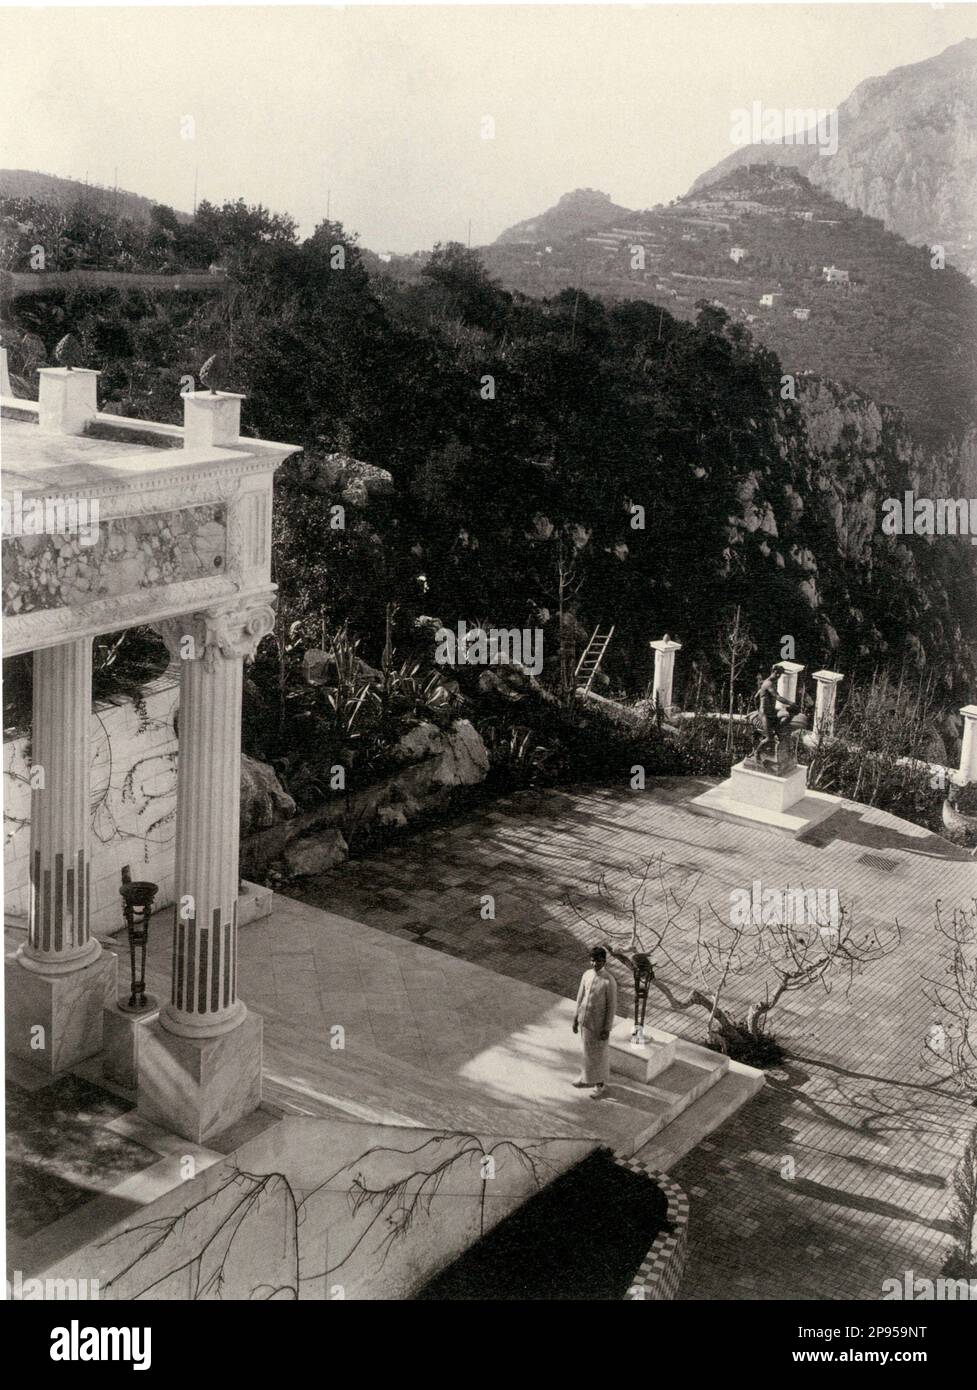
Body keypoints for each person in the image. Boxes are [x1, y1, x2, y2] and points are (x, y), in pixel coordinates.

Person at [572, 946, 618, 1099]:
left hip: (598, 1025)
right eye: (592, 960)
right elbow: (580, 997)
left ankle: (600, 1085)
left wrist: (607, 1028)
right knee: (586, 1052)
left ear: (604, 961)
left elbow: (611, 1007)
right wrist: (575, 1018)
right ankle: (585, 1078)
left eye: (598, 961)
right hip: (585, 1021)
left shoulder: (608, 981)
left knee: (599, 1054)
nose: (594, 964)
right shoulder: (586, 975)